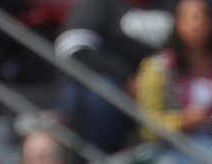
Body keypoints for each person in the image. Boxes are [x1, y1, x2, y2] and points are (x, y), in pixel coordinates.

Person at [134, 0, 212, 164]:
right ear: (176, 23)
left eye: (202, 17)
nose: (196, 24)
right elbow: (148, 127)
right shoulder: (158, 67)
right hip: (174, 144)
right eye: (188, 18)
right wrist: (183, 121)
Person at [54, 0, 176, 154]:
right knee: (100, 91)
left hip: (166, 86)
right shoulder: (98, 4)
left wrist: (152, 83)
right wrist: (127, 77)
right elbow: (73, 49)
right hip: (111, 89)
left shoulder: (175, 4)